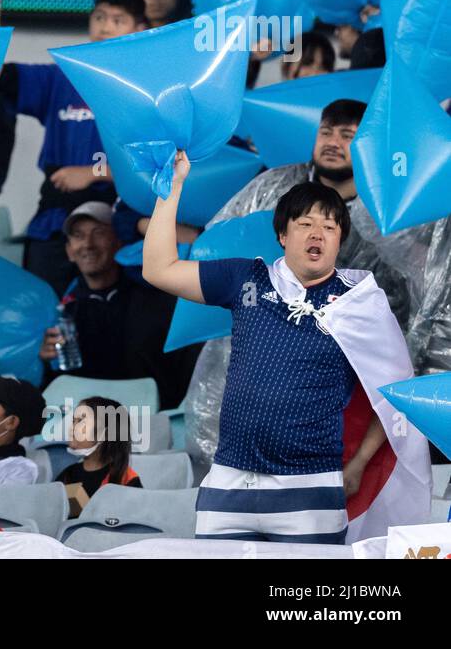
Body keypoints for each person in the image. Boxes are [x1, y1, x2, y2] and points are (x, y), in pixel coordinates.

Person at [144, 157, 430, 542]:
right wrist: (172, 188)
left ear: (339, 241)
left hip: (312, 491)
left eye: (330, 227)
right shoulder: (246, 278)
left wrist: (360, 462)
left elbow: (395, 391)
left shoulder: (359, 302)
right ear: (283, 234)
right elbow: (158, 269)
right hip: (230, 481)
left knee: (298, 604)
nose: (318, 233)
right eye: (306, 224)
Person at [183, 98, 420, 472]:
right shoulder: (275, 186)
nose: (332, 141)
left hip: (348, 382)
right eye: (326, 131)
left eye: (347, 135)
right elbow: (217, 244)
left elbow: (422, 293)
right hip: (255, 359)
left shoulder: (394, 210)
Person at [0, 0, 148, 294]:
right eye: (99, 17)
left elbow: (161, 166)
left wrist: (93, 173)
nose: (105, 26)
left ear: (140, 29)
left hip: (119, 222)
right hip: (54, 224)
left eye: (117, 19)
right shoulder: (62, 77)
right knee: (43, 316)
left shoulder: (148, 91)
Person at [39, 201, 200, 409]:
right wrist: (47, 358)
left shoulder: (155, 298)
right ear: (69, 251)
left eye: (98, 233)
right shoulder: (65, 310)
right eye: (78, 235)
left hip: (147, 419)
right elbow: (61, 385)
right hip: (86, 424)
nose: (88, 244)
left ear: (119, 242)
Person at [56, 397, 142, 514]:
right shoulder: (67, 475)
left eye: (81, 421)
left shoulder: (127, 480)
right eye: (73, 421)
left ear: (106, 434)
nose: (73, 427)